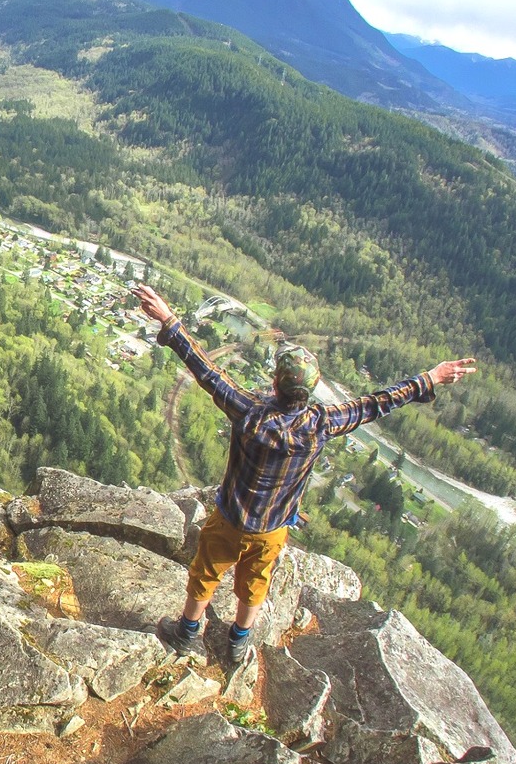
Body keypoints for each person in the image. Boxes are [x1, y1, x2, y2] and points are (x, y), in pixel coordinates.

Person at [132, 283, 477, 663]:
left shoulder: (248, 410)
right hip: (272, 528)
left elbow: (206, 370)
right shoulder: (322, 423)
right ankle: (238, 641)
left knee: (205, 573)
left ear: (276, 383)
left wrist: (168, 318)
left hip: (231, 518)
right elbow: (377, 404)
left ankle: (188, 633)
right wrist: (428, 379)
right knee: (256, 582)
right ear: (310, 391)